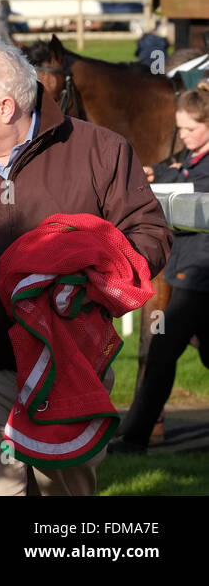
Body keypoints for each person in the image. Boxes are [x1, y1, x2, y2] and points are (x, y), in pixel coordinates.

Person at [0, 37, 171, 495]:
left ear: (5, 107)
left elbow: (149, 234)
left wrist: (90, 277)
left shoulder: (102, 150)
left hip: (72, 368)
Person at [110, 82, 209, 453]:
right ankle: (135, 434)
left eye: (189, 129)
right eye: (180, 128)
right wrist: (156, 173)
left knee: (163, 353)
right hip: (192, 274)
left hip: (197, 275)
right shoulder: (191, 157)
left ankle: (135, 437)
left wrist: (160, 180)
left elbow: (191, 190)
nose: (182, 136)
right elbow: (178, 171)